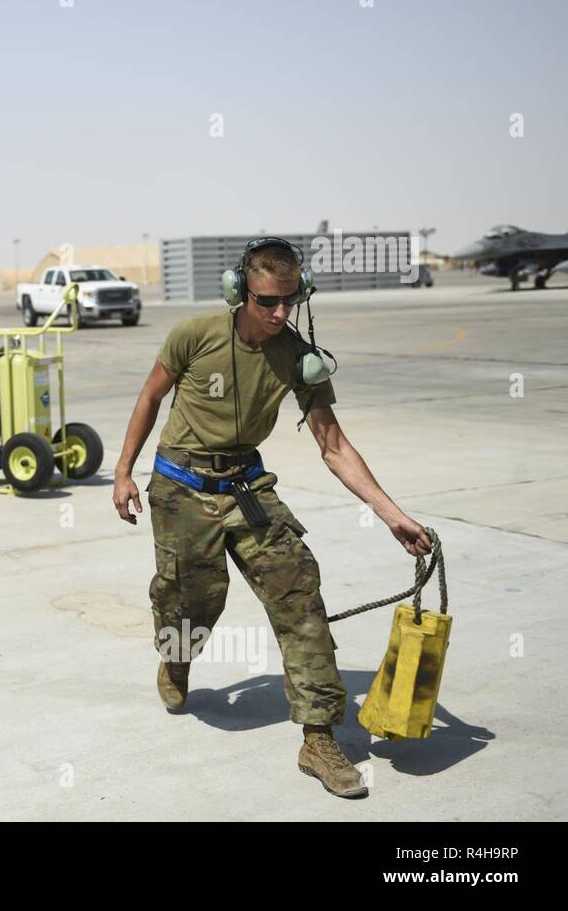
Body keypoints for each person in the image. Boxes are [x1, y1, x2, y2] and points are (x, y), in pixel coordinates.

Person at [111, 238, 432, 799]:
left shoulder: (297, 356)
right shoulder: (195, 335)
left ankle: (318, 737)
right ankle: (177, 659)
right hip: (181, 486)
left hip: (246, 486)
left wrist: (391, 514)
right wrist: (122, 472)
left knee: (299, 597)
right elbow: (149, 398)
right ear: (240, 291)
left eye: (289, 300)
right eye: (266, 301)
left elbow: (333, 445)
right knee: (191, 601)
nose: (279, 313)